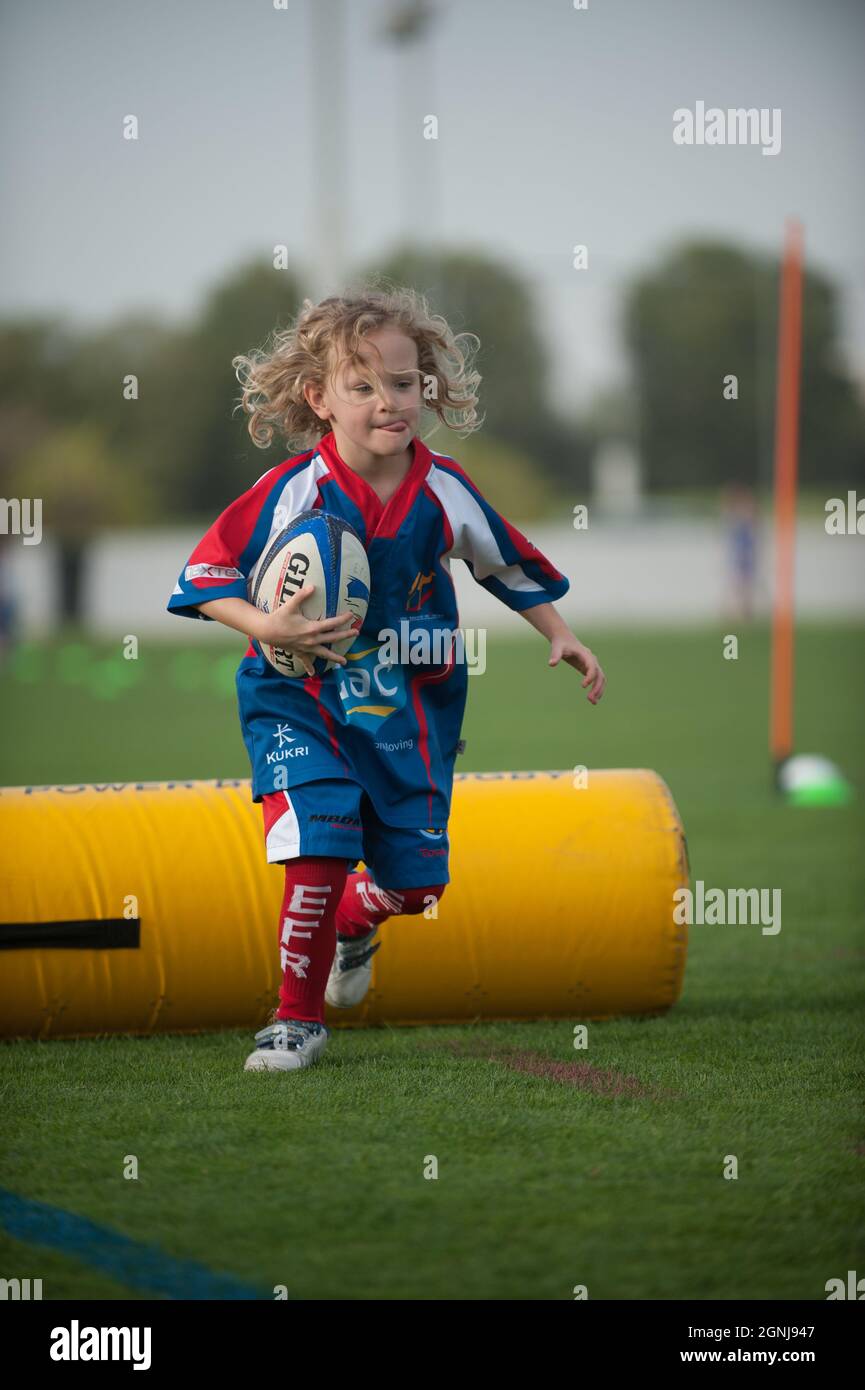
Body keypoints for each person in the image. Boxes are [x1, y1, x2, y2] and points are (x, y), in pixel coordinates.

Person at [166, 286, 606, 1073]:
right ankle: (294, 1020)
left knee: (416, 889)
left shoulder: (444, 489)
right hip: (294, 696)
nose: (388, 402)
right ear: (319, 398)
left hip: (406, 708)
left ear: (425, 388)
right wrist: (263, 625)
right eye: (362, 386)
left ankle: (354, 919)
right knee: (320, 838)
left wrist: (562, 635)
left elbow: (505, 562)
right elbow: (206, 571)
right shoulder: (294, 491)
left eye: (402, 383)